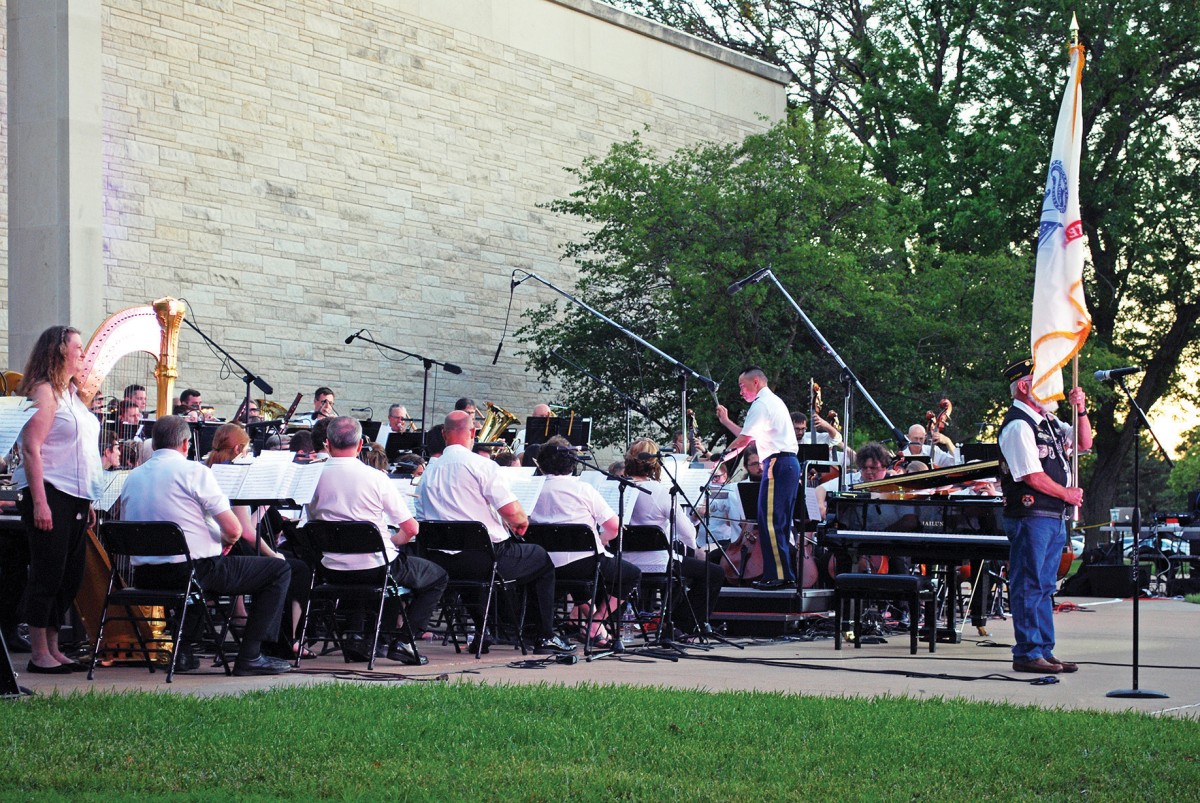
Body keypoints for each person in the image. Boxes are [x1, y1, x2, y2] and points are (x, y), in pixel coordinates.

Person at [119, 416, 292, 676]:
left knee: (198, 567)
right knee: (278, 571)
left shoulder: (133, 477)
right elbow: (234, 530)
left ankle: (184, 653)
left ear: (154, 444)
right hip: (192, 573)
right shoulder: (194, 472)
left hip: (145, 576)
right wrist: (222, 541)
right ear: (186, 443)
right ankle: (251, 656)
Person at [416, 410, 573, 655]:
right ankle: (544, 635)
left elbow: (422, 518)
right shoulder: (482, 466)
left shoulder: (429, 471)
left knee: (470, 564)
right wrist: (518, 523)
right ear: (473, 433)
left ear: (444, 434)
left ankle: (484, 629)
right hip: (486, 559)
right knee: (541, 560)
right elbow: (516, 515)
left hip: (443, 561)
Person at [306, 417, 449, 665]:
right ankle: (403, 641)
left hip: (331, 568)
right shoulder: (375, 478)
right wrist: (392, 541)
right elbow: (411, 528)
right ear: (361, 445)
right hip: (376, 566)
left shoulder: (310, 477)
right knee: (436, 576)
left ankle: (362, 640)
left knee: (385, 575)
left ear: (327, 444)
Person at [12, 326, 103, 674]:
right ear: (58, 351)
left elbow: (78, 451)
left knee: (70, 575)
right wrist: (39, 502)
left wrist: (88, 499)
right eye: (77, 347)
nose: (83, 354)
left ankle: (53, 646)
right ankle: (39, 652)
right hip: (49, 491)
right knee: (47, 573)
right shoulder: (44, 391)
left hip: (76, 496)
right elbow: (32, 449)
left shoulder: (70, 395)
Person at [998, 357, 1091, 675]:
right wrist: (1067, 493)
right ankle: (1027, 651)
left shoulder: (1047, 421)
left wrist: (1080, 409)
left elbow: (1084, 442)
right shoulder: (1018, 425)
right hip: (1031, 513)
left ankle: (1043, 650)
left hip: (1051, 516)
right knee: (1029, 582)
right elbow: (1030, 475)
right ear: (1024, 386)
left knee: (1045, 585)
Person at [205, 423, 311, 659]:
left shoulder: (209, 468)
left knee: (288, 564)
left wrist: (264, 503)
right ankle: (285, 640)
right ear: (238, 448)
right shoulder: (234, 473)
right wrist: (275, 556)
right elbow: (246, 532)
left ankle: (264, 628)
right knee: (296, 569)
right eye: (248, 449)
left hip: (216, 547)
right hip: (230, 550)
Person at [529, 436, 641, 647]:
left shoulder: (533, 490)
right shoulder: (583, 490)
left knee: (578, 578)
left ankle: (593, 626)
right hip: (583, 564)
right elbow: (614, 527)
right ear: (572, 462)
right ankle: (597, 622)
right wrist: (600, 540)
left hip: (543, 565)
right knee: (631, 575)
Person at [624, 439, 725, 636]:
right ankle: (683, 624)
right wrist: (692, 547)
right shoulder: (661, 491)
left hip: (624, 561)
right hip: (658, 562)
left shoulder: (618, 487)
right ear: (655, 463)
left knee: (684, 567)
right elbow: (688, 534)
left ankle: (672, 621)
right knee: (714, 573)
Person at [716, 367, 801, 589]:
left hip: (777, 463)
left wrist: (722, 458)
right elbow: (749, 437)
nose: (741, 392)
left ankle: (779, 575)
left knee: (771, 523)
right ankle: (782, 573)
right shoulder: (772, 402)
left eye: (742, 386)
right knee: (776, 522)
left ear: (756, 382)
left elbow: (744, 440)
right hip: (785, 463)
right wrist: (726, 422)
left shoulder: (761, 404)